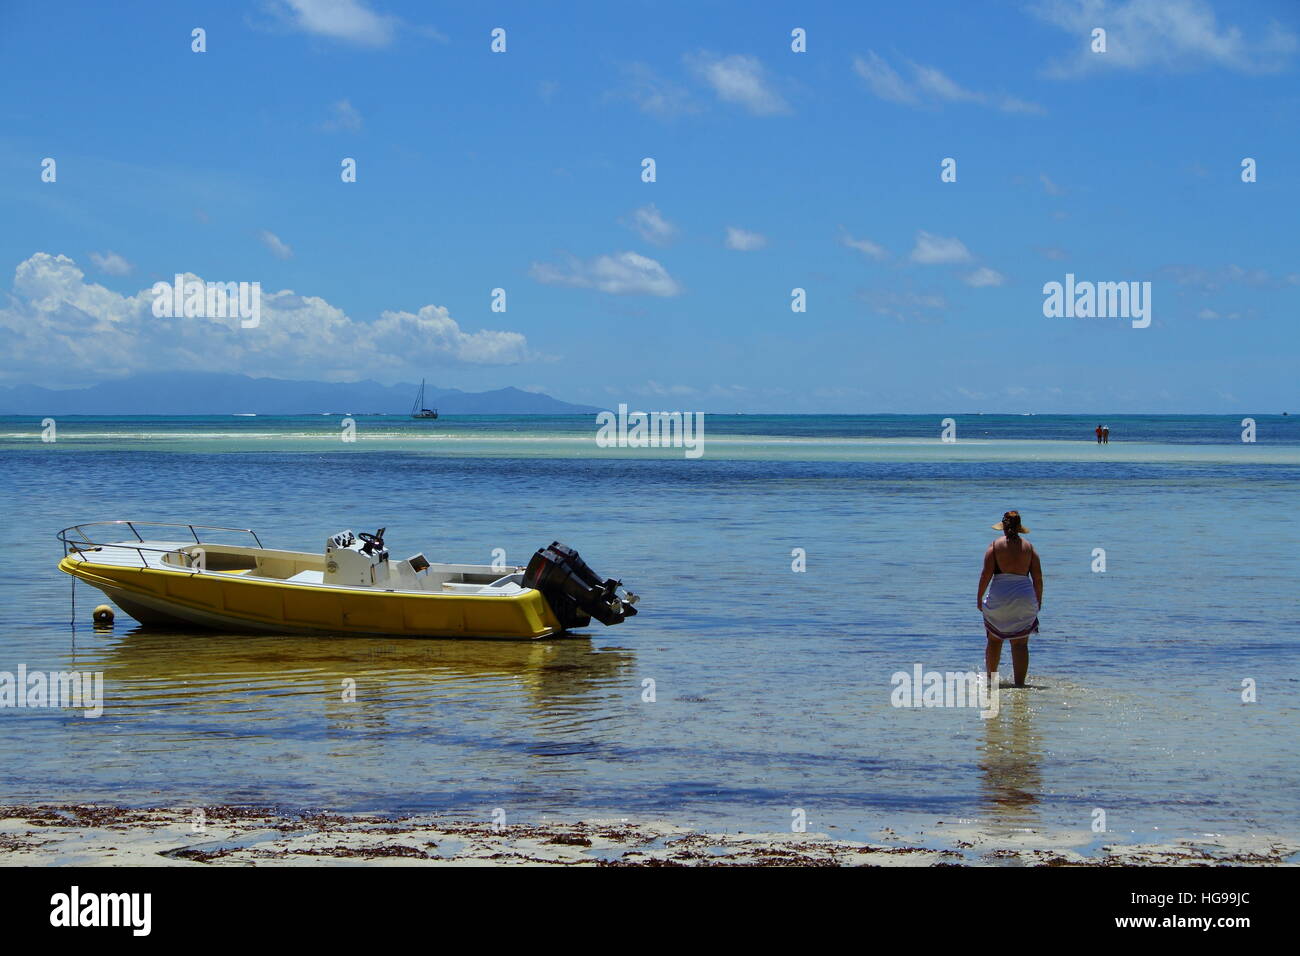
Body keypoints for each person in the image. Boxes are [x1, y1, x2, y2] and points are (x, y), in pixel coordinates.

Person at [977, 511, 1042, 688]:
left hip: (999, 598)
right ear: (1020, 528)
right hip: (1024, 599)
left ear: (1003, 527)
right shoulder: (1029, 548)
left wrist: (979, 597)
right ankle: (1020, 685)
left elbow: (985, 575)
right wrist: (1038, 601)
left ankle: (991, 682)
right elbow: (1038, 578)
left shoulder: (994, 547)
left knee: (994, 640)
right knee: (1020, 644)